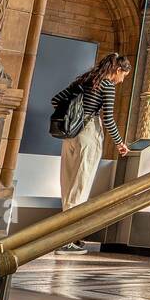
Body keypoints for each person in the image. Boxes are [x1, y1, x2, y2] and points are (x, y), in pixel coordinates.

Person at [52, 52, 132, 252]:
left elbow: (56, 100)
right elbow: (108, 119)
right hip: (88, 133)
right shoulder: (107, 85)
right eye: (123, 75)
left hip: (70, 134)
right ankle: (67, 238)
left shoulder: (85, 79)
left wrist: (74, 113)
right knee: (80, 185)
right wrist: (120, 143)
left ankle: (71, 234)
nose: (122, 81)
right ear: (117, 70)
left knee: (68, 182)